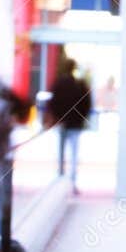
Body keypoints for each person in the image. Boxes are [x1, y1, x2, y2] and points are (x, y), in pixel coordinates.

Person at [47, 57, 93, 192]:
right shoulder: (79, 84)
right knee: (73, 153)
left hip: (62, 122)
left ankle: (60, 177)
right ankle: (72, 182)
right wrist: (82, 118)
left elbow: (53, 103)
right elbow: (86, 103)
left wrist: (57, 117)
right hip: (75, 123)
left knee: (61, 152)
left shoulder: (58, 83)